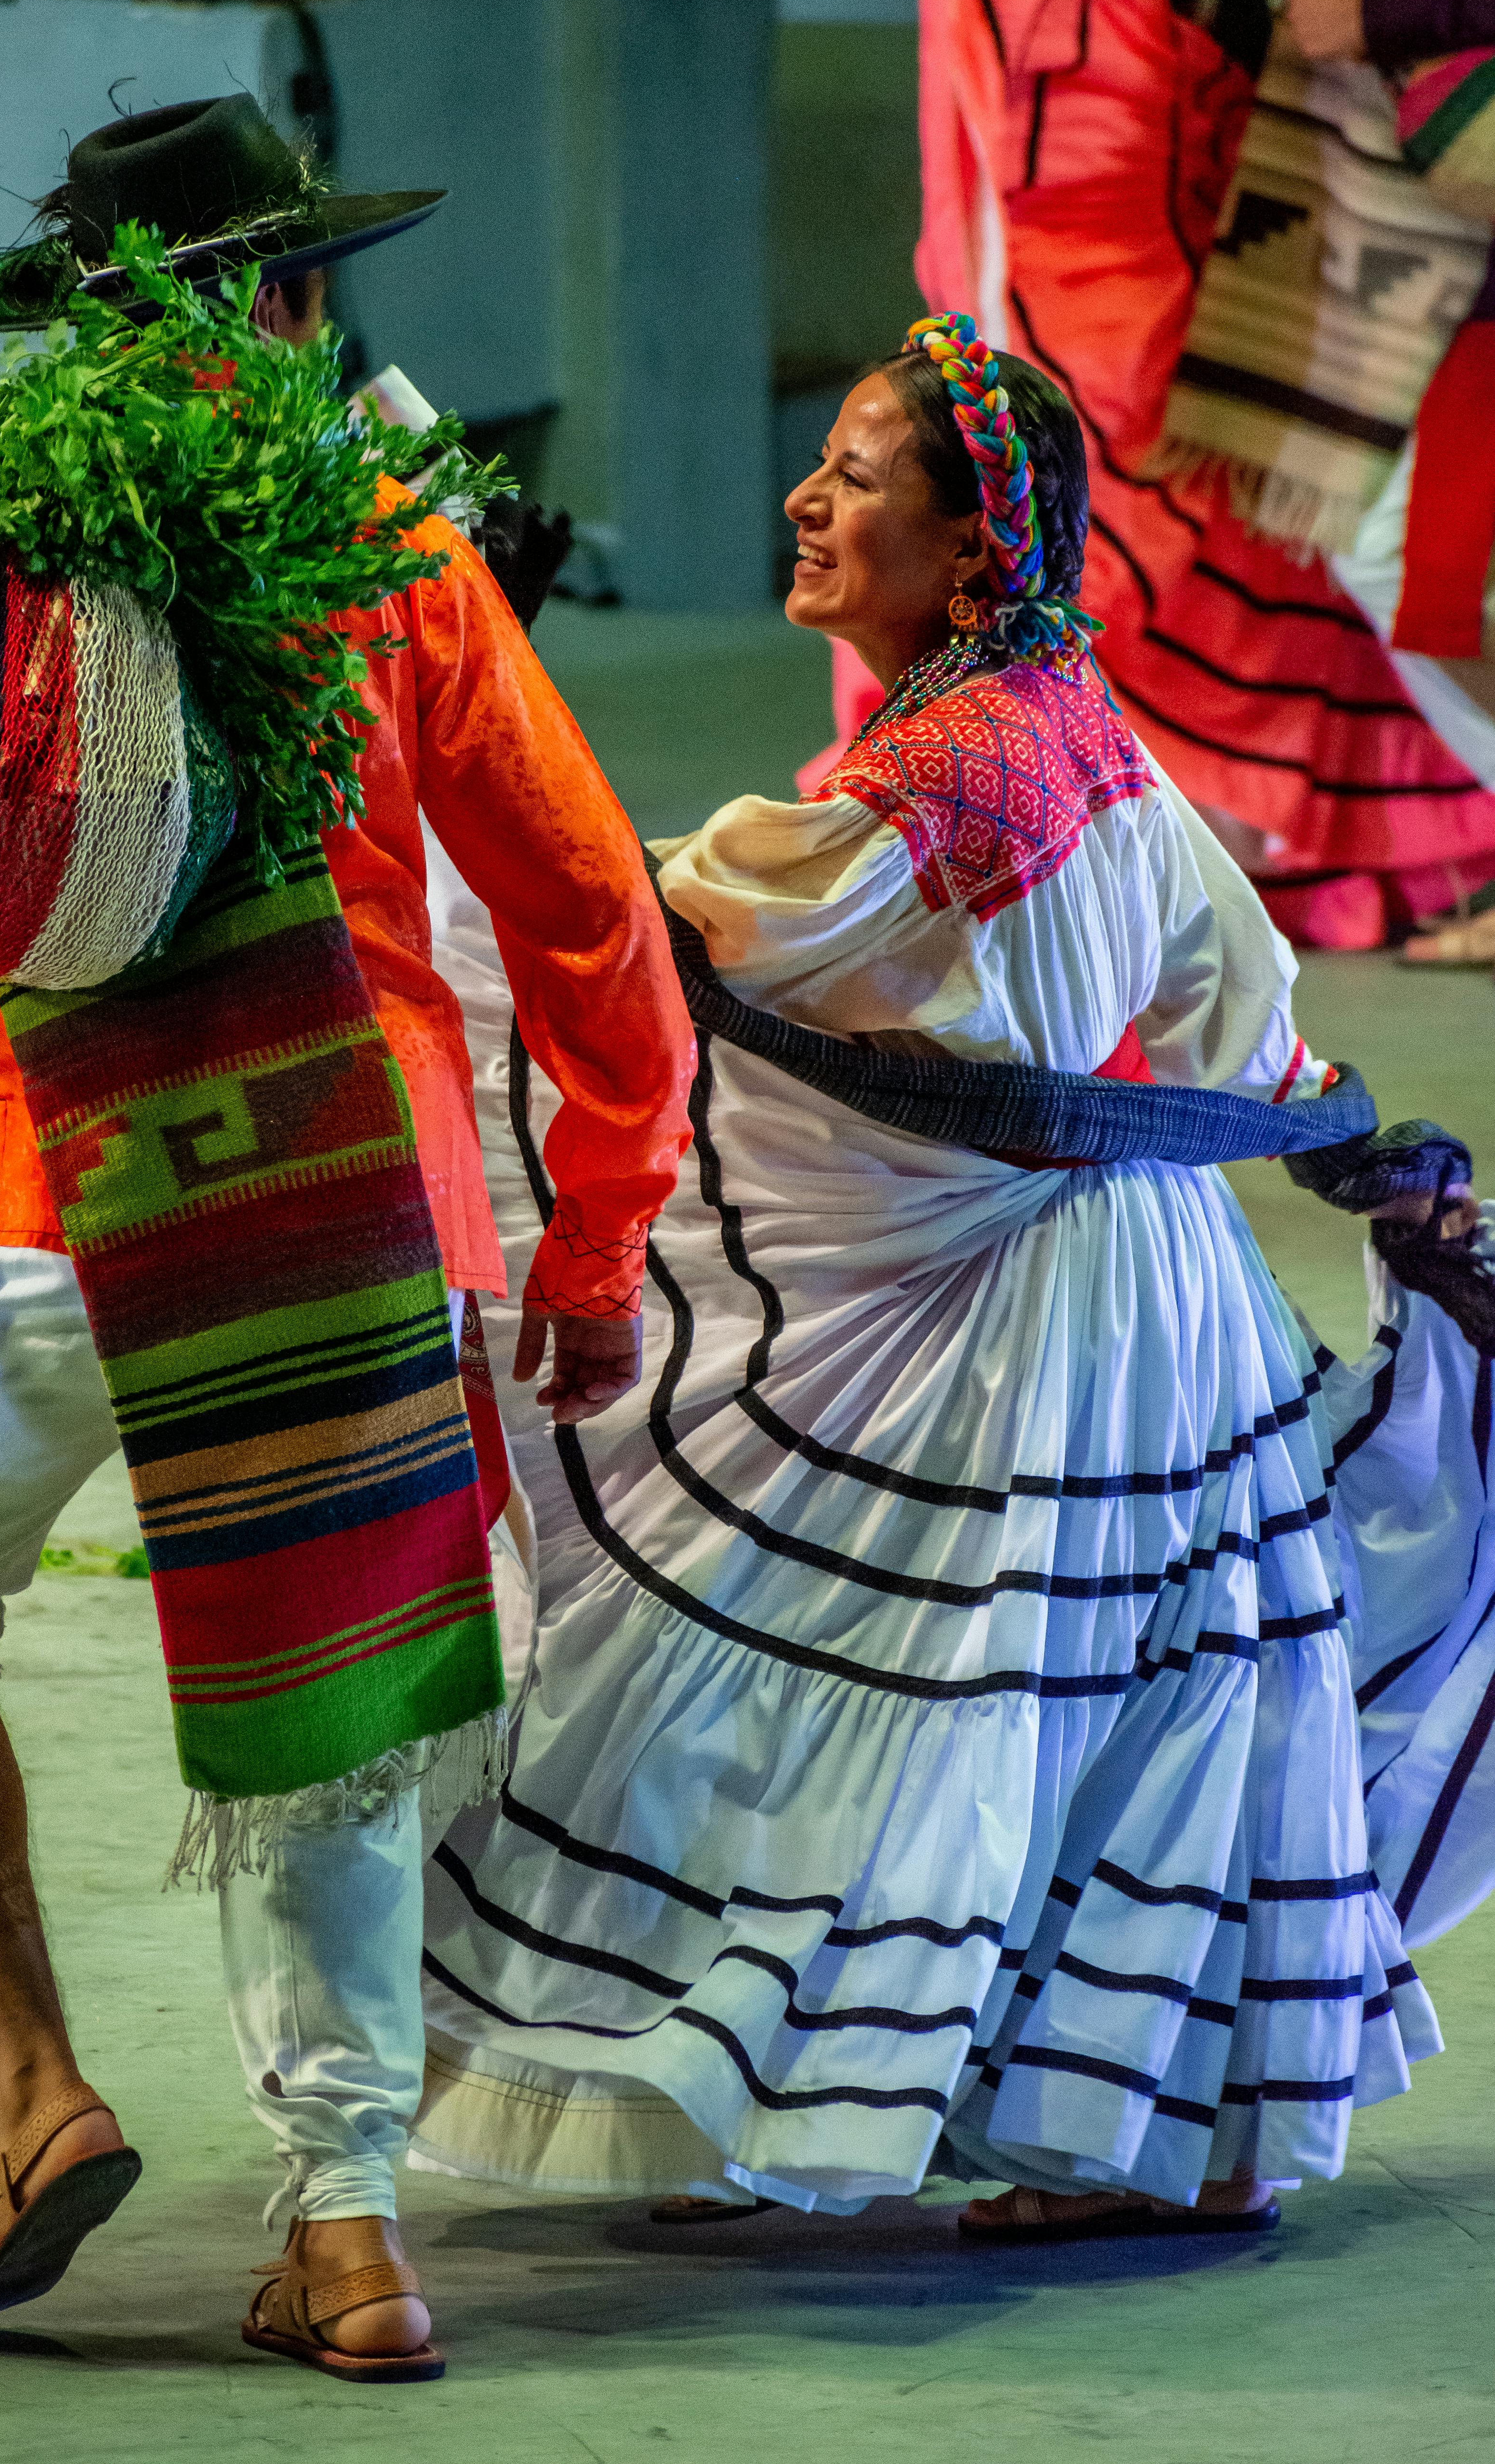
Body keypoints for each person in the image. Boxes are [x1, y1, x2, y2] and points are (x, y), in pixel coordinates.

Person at [0, 93, 694, 2377]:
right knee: (320, 1713)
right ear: (288, 297)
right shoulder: (391, 537)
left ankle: (36, 2094)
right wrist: (592, 1235)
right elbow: (592, 912)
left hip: (52, 1189)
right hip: (350, 1206)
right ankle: (353, 2230)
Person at [408, 318, 1495, 2236]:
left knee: (894, 1686)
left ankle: (805, 2084)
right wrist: (1368, 1159)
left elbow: (621, 928)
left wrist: (448, 700)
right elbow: (1245, 1028)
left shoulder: (921, 792)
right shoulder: (1082, 736)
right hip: (1146, 1293)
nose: (803, 499)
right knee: (1087, 1701)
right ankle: (1084, 2114)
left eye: (851, 472)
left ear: (973, 545)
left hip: (999, 1324)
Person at [913, 0, 1495, 951]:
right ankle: (1155, 831)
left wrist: (1357, 22)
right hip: (1315, 189)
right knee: (1385, 550)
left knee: (1402, 552)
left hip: (1405, 187)